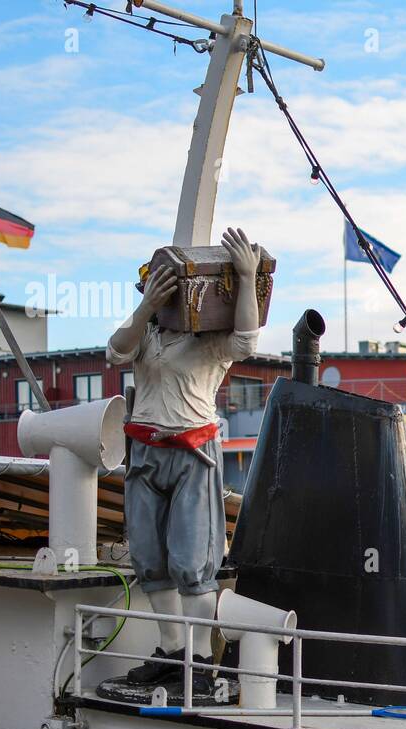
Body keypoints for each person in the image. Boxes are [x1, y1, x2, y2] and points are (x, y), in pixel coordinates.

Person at [106, 227, 264, 692]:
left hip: (192, 452)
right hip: (145, 453)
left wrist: (247, 277)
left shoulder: (209, 341)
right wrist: (146, 308)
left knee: (194, 559)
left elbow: (246, 340)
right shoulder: (148, 336)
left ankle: (199, 663)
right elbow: (116, 350)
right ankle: (172, 651)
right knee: (150, 557)